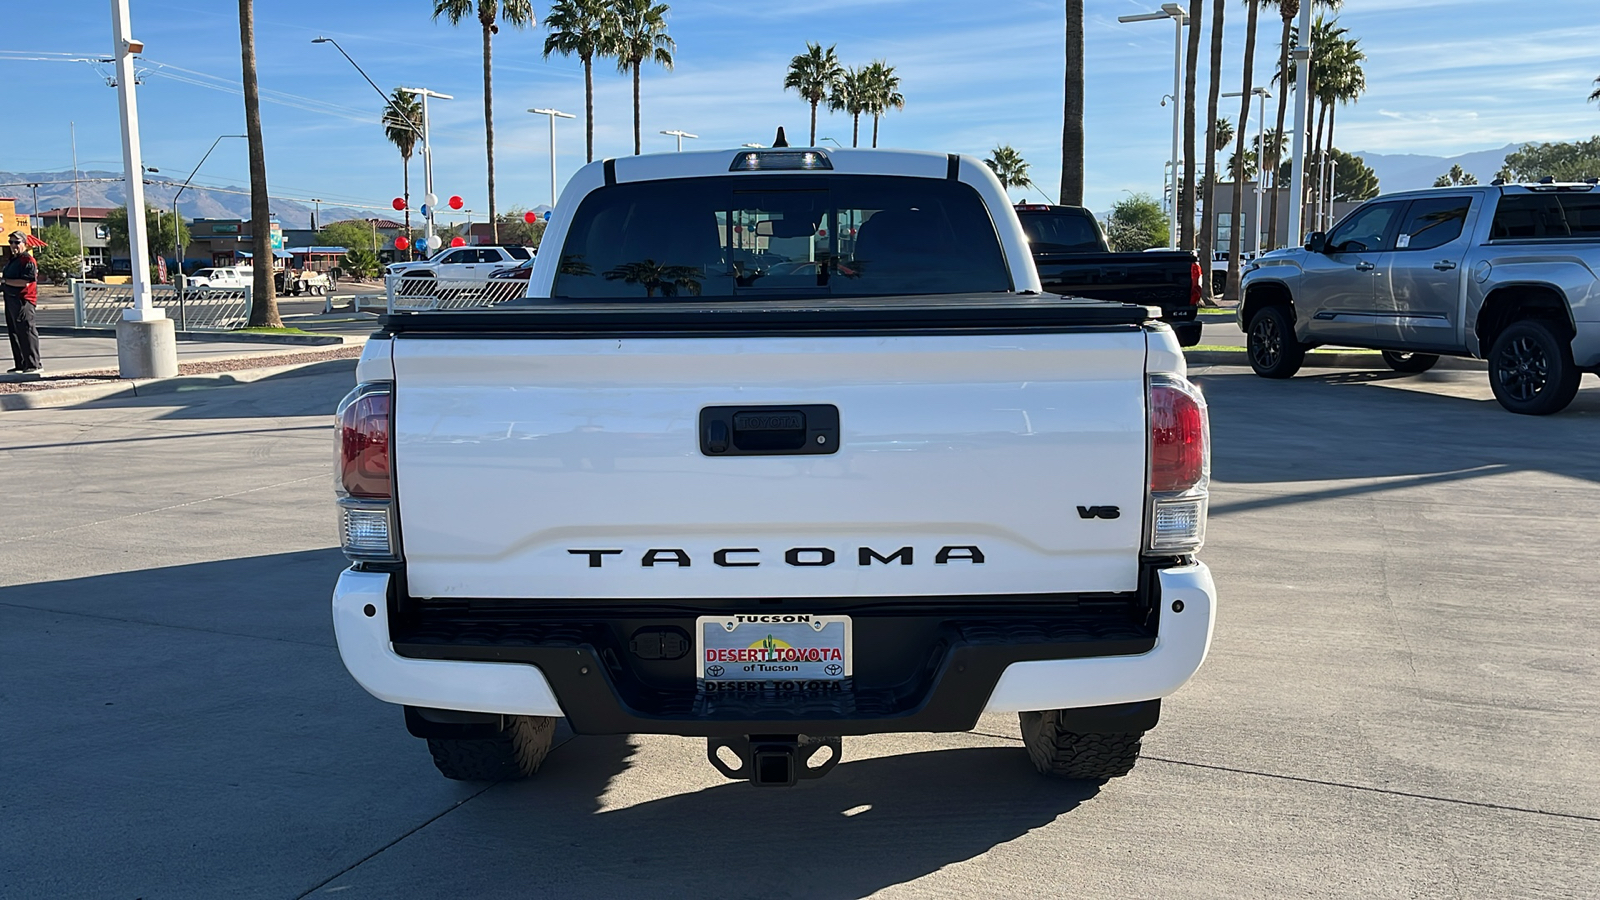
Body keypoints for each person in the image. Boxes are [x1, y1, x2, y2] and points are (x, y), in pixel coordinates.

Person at [3, 231, 41, 374]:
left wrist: (5, 281)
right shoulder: (12, 260)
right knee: (14, 332)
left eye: (17, 242)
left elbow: (26, 282)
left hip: (24, 300)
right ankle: (20, 364)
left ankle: (33, 364)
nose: (13, 245)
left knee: (26, 331)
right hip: (10, 299)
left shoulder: (28, 260)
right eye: (11, 242)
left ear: (24, 243)